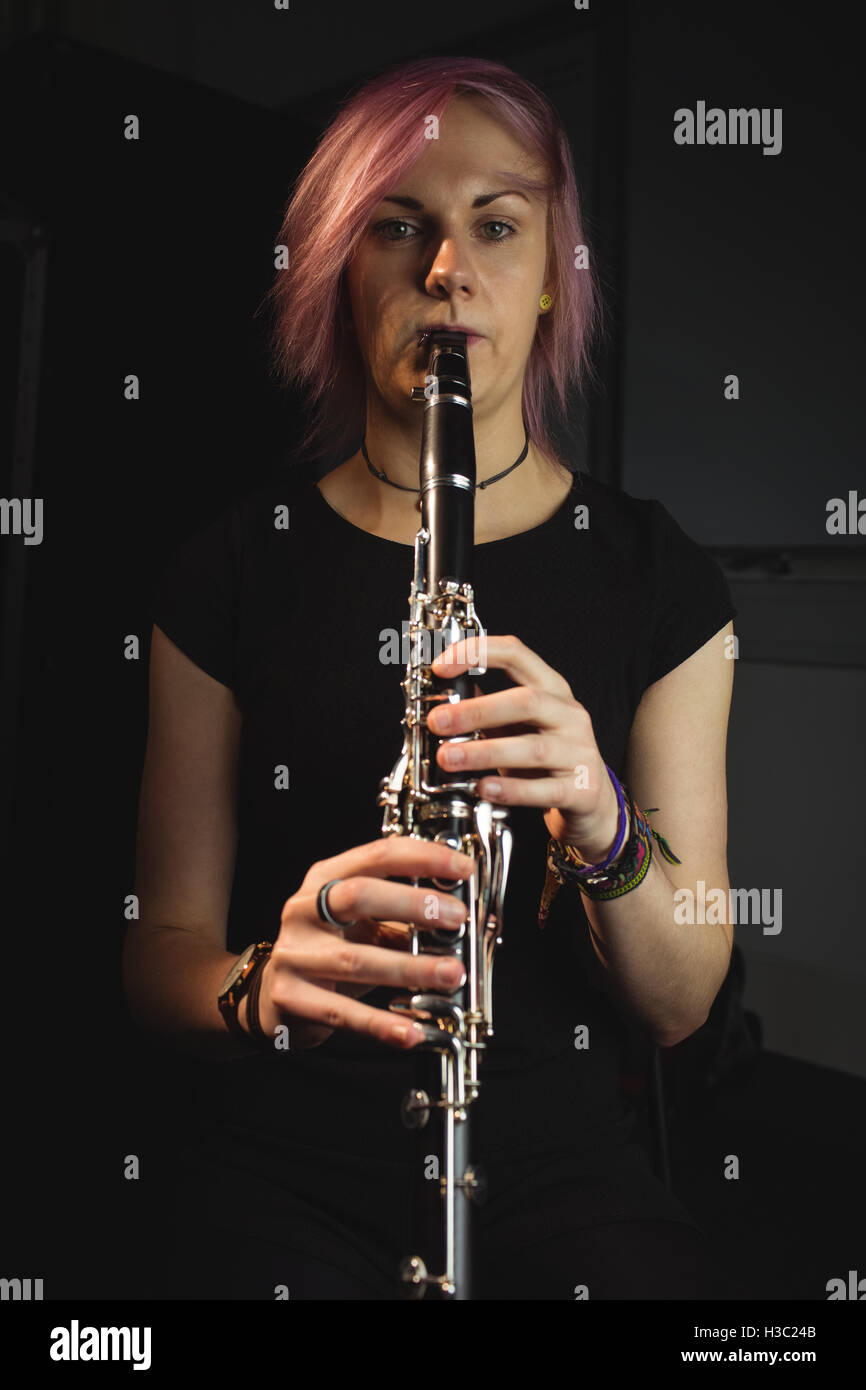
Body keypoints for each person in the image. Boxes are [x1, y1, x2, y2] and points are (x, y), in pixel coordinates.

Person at [122, 56, 739, 1301]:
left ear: (556, 279)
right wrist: (257, 983)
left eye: (495, 225)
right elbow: (157, 957)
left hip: (552, 1163)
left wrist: (602, 818)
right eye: (396, 227)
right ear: (338, 274)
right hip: (281, 1163)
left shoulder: (657, 576)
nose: (445, 271)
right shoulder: (230, 567)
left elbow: (678, 1002)